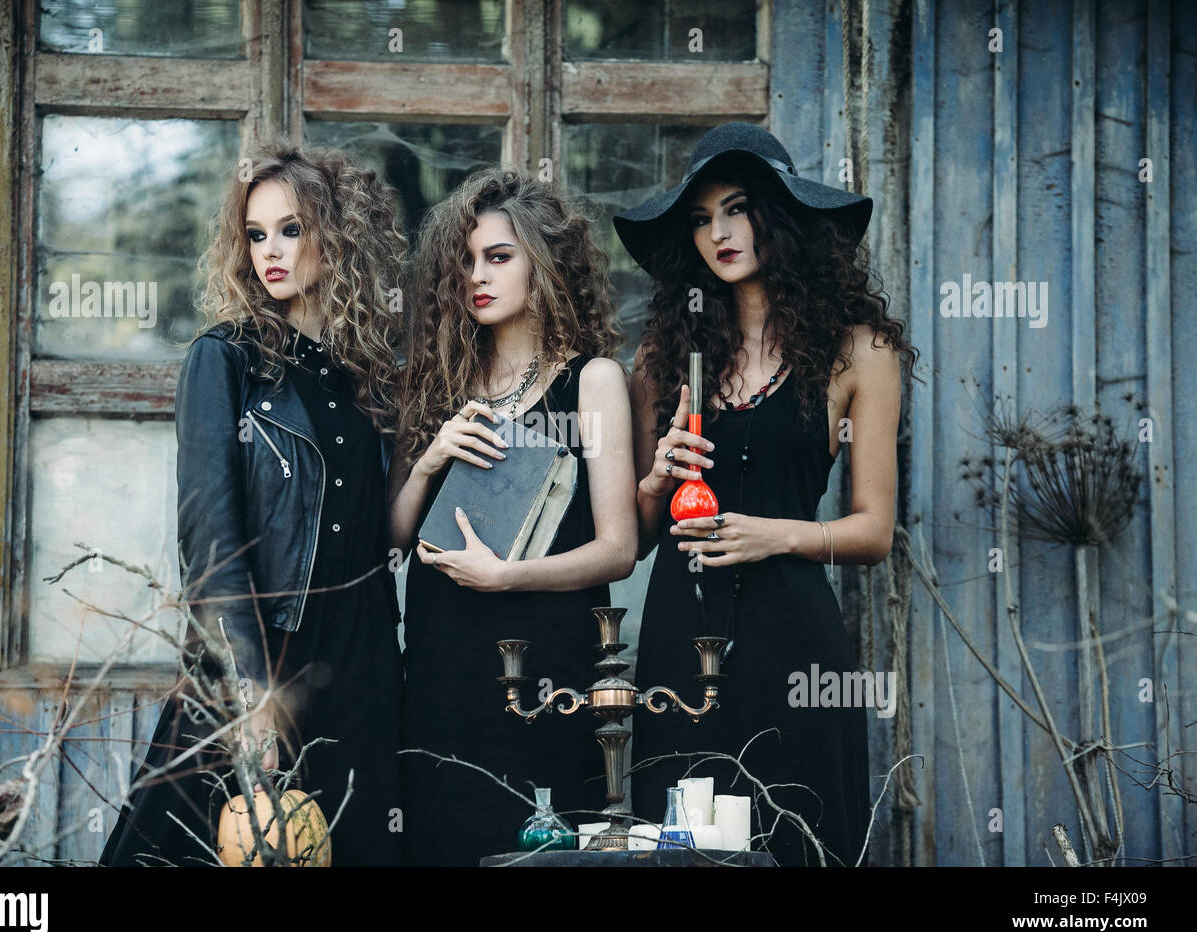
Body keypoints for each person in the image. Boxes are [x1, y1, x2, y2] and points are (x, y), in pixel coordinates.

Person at [616, 123, 919, 866]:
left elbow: (874, 532)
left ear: (779, 216)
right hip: (677, 638)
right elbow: (632, 539)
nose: (717, 232)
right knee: (685, 843)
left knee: (798, 837)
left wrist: (776, 534)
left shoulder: (860, 351)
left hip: (794, 639)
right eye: (699, 217)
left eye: (737, 207)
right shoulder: (663, 356)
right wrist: (655, 476)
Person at [100, 144, 407, 866]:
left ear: (339, 238)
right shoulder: (225, 358)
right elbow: (212, 538)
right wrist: (249, 690)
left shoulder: (365, 378)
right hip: (262, 657)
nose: (270, 250)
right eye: (257, 233)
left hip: (358, 675)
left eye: (292, 230)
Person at [389, 168, 637, 865]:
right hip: (442, 659)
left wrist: (507, 578)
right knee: (443, 838)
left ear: (544, 263)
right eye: (464, 261)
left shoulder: (591, 381)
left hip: (549, 661)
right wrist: (433, 455)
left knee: (545, 850)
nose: (478, 276)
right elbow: (398, 533)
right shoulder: (436, 380)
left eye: (499, 257)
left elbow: (619, 549)